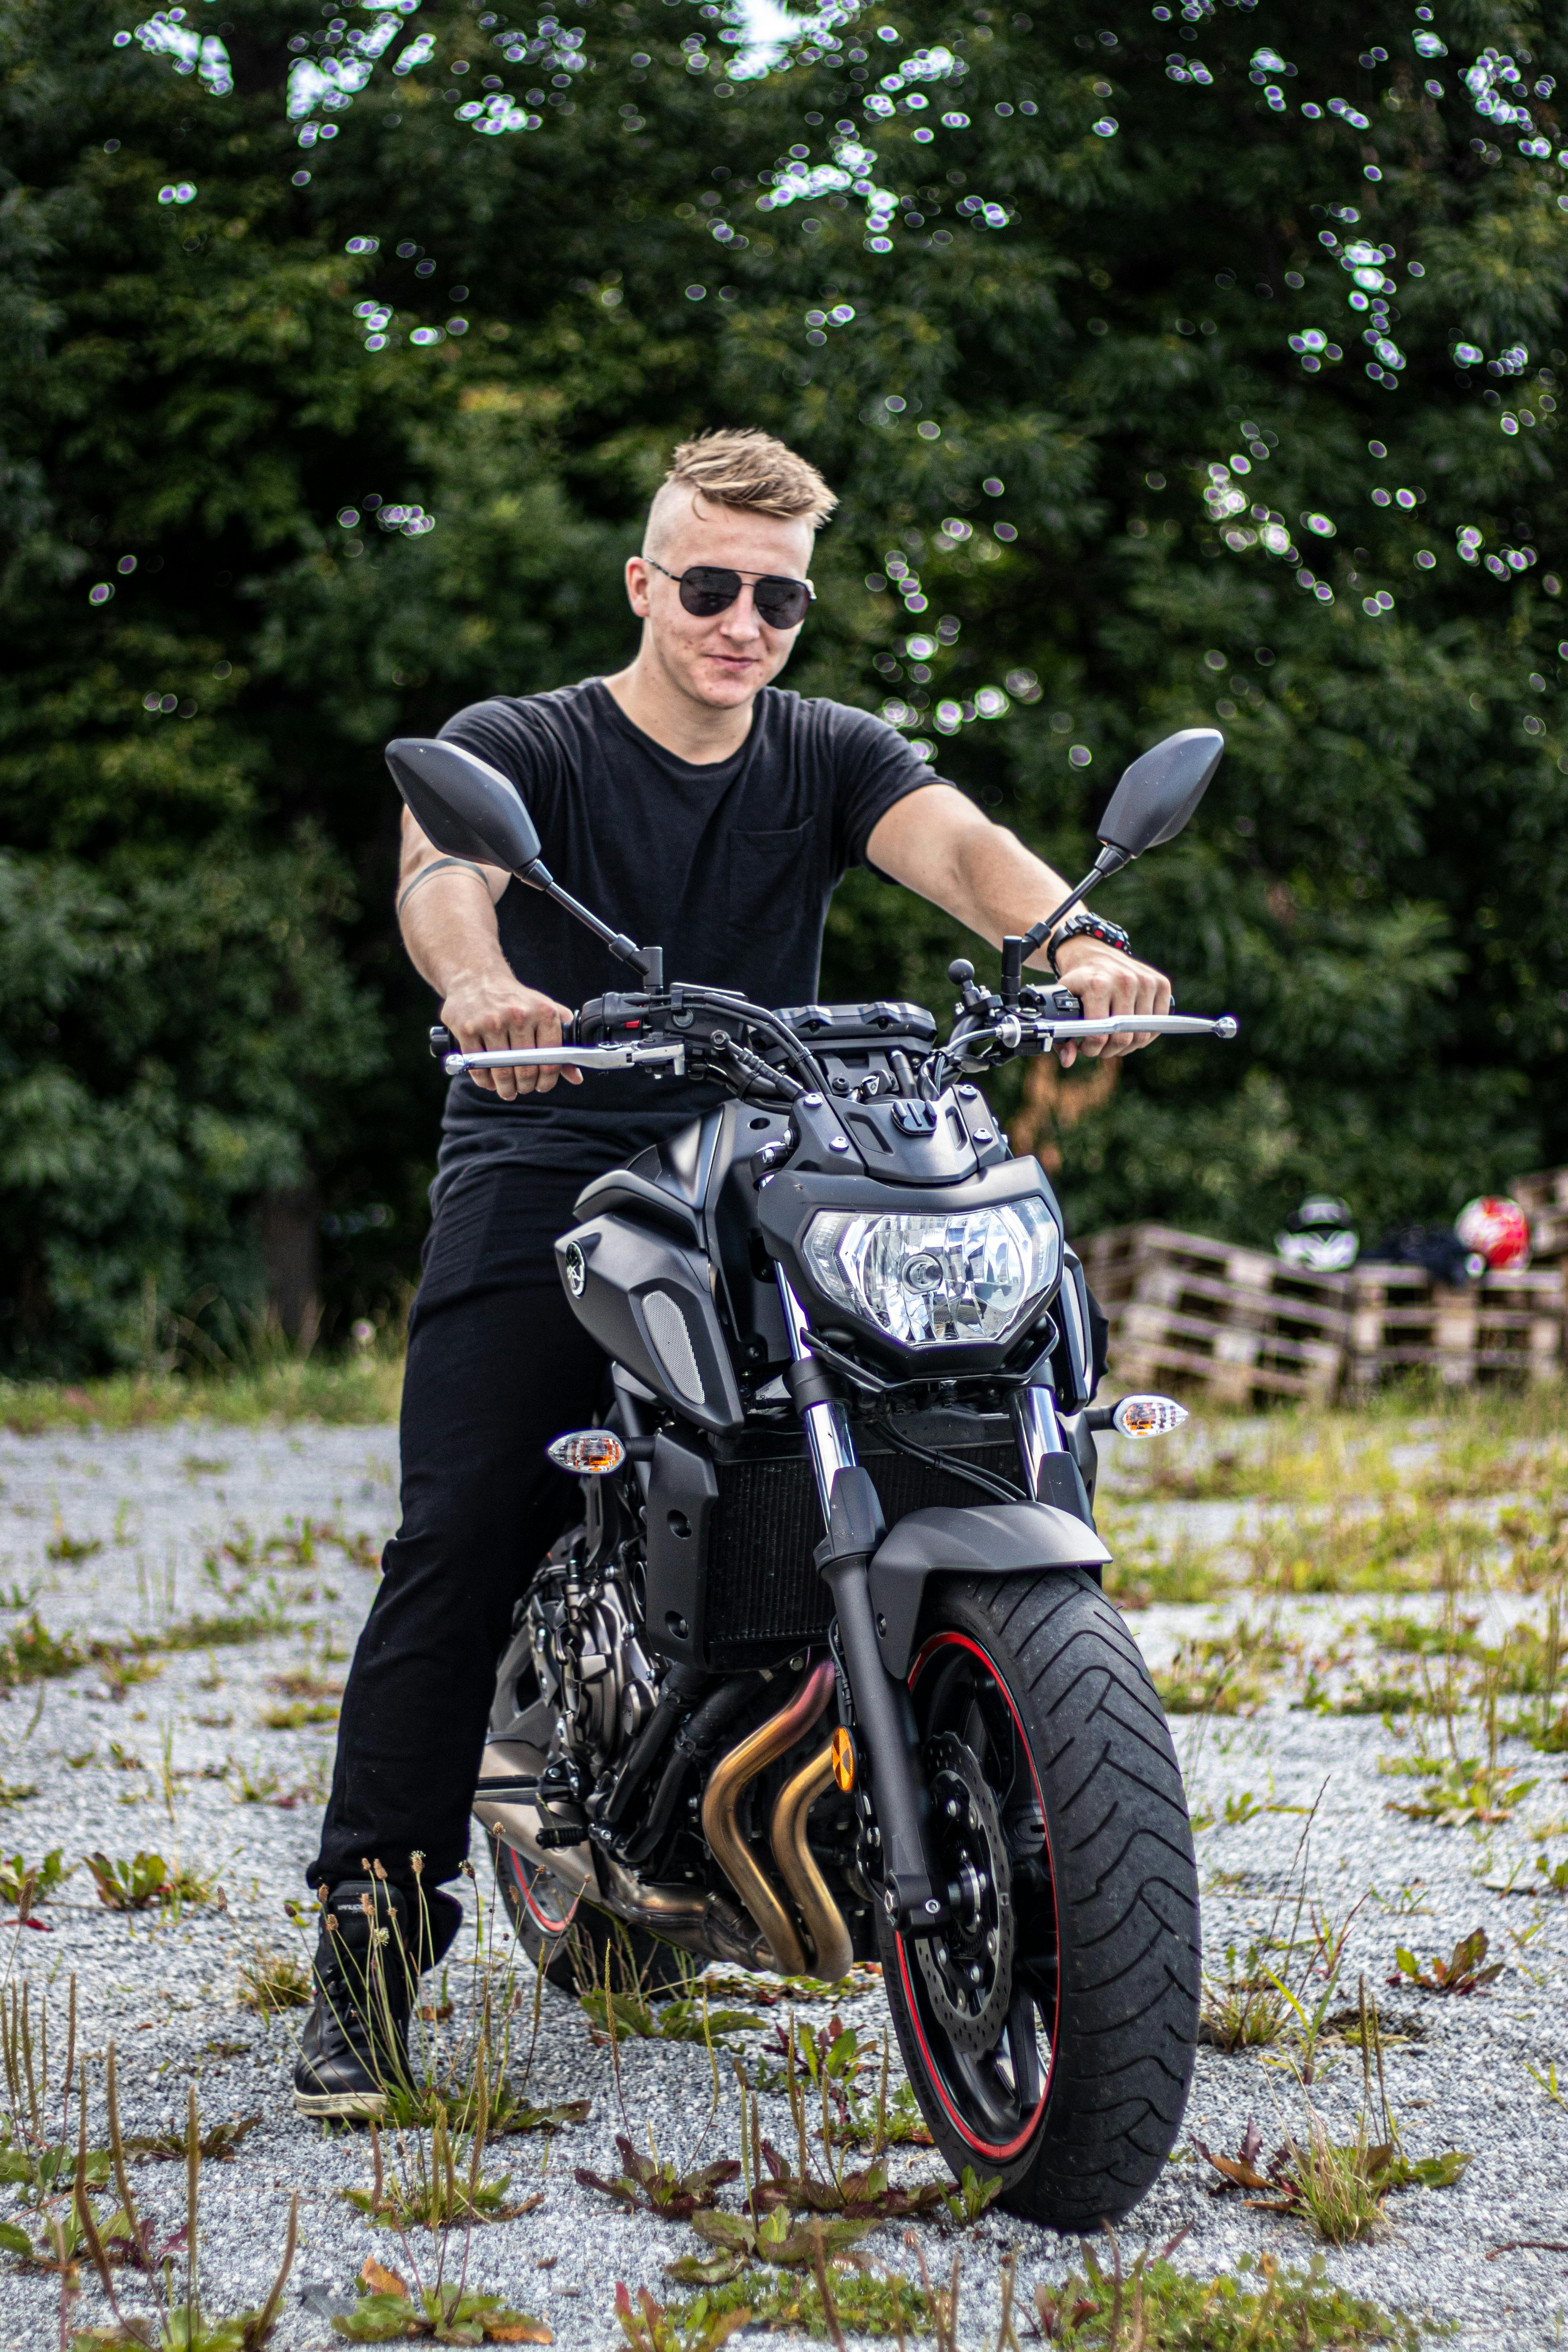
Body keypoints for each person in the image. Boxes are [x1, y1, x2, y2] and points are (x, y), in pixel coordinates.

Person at [295, 428, 1172, 2116]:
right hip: (550, 1141)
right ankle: (369, 1948)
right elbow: (442, 876)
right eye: (708, 586)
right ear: (646, 584)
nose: (741, 622)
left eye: (776, 596)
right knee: (463, 1529)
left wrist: (1073, 938)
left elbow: (966, 846)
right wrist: (487, 991)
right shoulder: (525, 745)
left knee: (950, 1388)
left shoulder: (829, 753)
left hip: (780, 1152)